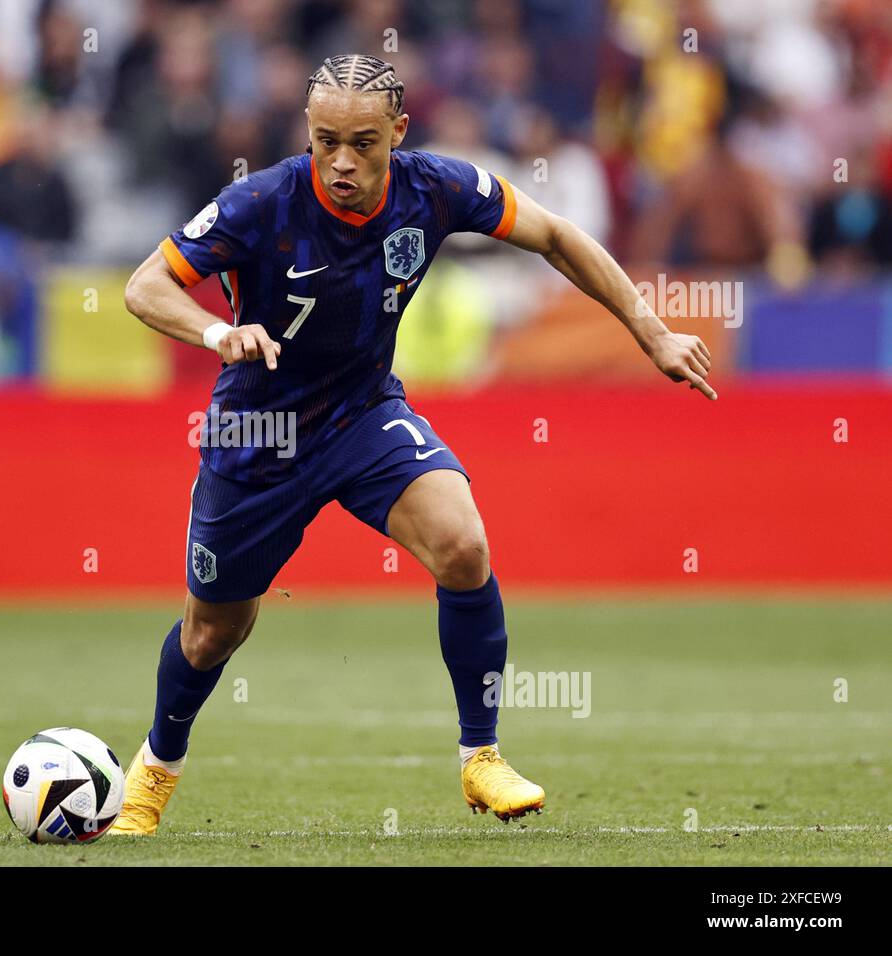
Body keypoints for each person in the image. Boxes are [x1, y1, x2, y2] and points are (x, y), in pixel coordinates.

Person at [116, 54, 715, 834]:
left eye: (362, 142)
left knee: (462, 544)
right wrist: (217, 329)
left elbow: (557, 235)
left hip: (362, 415)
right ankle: (156, 769)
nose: (341, 161)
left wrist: (652, 330)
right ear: (307, 130)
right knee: (213, 629)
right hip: (254, 435)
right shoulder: (260, 202)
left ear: (398, 132)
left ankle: (482, 756)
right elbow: (143, 286)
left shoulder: (438, 188)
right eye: (325, 139)